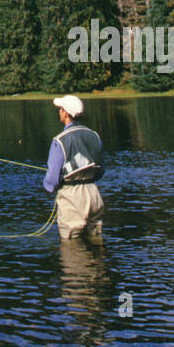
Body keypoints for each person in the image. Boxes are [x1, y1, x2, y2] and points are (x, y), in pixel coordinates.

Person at [43, 95, 105, 240]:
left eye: (60, 109)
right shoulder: (94, 135)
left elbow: (52, 182)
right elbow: (101, 169)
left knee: (72, 244)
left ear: (65, 113)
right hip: (94, 193)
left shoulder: (60, 140)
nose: (59, 111)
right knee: (96, 239)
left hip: (72, 196)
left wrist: (49, 185)